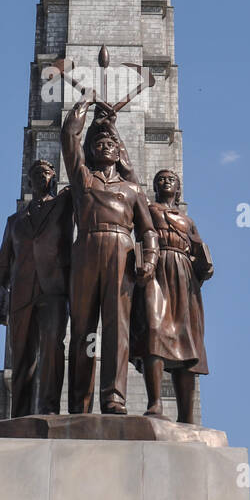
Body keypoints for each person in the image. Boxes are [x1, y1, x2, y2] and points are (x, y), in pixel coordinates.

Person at [61, 98, 158, 415]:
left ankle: (114, 397)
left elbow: (148, 230)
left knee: (117, 328)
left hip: (121, 251)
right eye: (98, 143)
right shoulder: (83, 179)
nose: (104, 146)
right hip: (87, 248)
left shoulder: (132, 190)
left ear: (119, 152)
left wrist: (150, 259)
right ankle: (79, 401)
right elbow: (69, 143)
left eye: (110, 143)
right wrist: (79, 115)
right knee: (83, 330)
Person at [0, 160, 73, 416]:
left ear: (54, 178)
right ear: (28, 181)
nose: (41, 177)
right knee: (22, 354)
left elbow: (81, 175)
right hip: (22, 292)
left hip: (54, 290)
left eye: (46, 173)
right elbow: (3, 261)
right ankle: (19, 414)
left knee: (52, 348)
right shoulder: (14, 221)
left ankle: (49, 408)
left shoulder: (63, 205)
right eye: (36, 174)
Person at [132, 169, 213, 424]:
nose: (166, 182)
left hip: (184, 276)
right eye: (161, 180)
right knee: (154, 329)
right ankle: (155, 404)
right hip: (156, 268)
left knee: (186, 341)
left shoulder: (187, 220)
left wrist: (205, 265)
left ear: (178, 189)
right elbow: (131, 177)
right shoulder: (148, 208)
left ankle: (186, 416)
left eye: (171, 179)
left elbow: (200, 249)